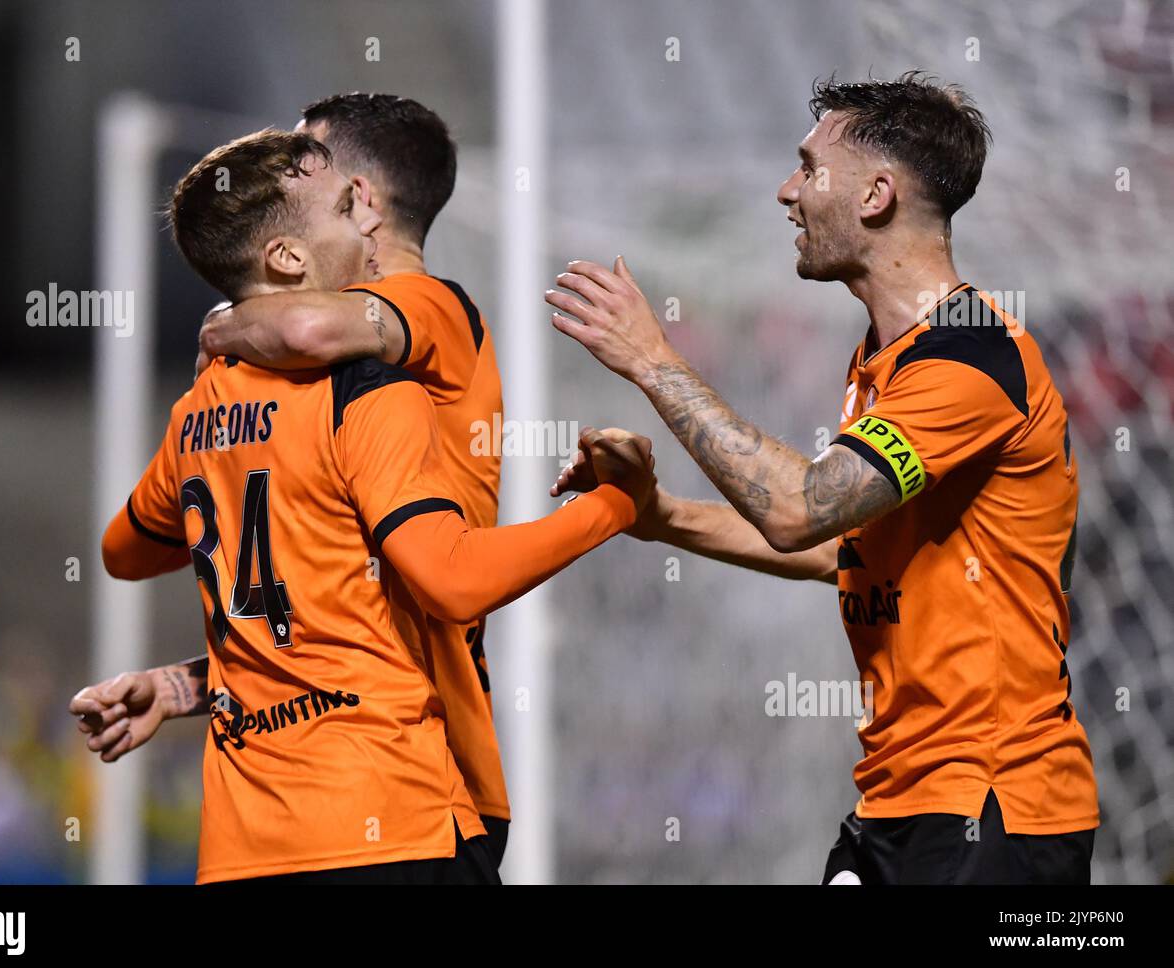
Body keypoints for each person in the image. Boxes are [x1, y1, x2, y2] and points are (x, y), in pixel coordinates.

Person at [547, 72, 1097, 884]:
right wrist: (657, 514)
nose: (786, 191)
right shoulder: (883, 361)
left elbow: (803, 509)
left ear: (876, 195)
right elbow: (845, 546)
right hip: (901, 802)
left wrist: (652, 360)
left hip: (994, 808)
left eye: (809, 168)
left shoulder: (973, 356)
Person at [73, 128, 655, 884]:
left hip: (241, 847)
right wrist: (614, 506)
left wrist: (188, 678)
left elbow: (128, 551)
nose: (367, 225)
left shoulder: (198, 409)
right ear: (288, 256)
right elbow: (449, 578)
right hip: (390, 816)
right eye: (346, 208)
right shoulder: (371, 384)